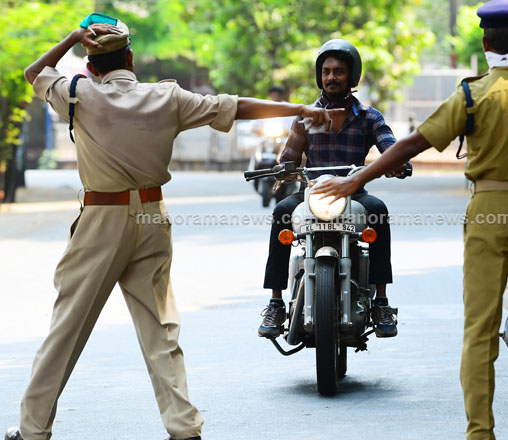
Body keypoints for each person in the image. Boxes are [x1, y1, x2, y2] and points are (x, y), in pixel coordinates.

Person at [5, 13, 333, 440]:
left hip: (101, 220)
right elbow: (234, 106)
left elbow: (34, 73)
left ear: (91, 66)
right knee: (160, 328)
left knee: (68, 326)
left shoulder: (78, 93)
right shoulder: (168, 98)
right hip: (151, 217)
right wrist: (303, 110)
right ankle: (183, 428)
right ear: (132, 59)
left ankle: (32, 430)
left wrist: (70, 37)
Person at [312, 1, 508, 438]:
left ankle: (481, 432)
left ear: (485, 43)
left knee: (480, 329)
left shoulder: (473, 94)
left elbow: (411, 144)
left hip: (489, 213)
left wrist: (351, 182)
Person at [257, 39, 408, 339]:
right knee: (280, 213)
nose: (331, 77)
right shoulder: (304, 117)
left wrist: (397, 163)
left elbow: (390, 148)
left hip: (354, 193)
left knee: (378, 211)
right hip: (312, 193)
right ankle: (275, 302)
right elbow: (288, 156)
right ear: (319, 76)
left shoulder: (369, 117)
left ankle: (381, 301)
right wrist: (280, 169)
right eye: (326, 71)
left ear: (351, 75)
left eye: (338, 71)